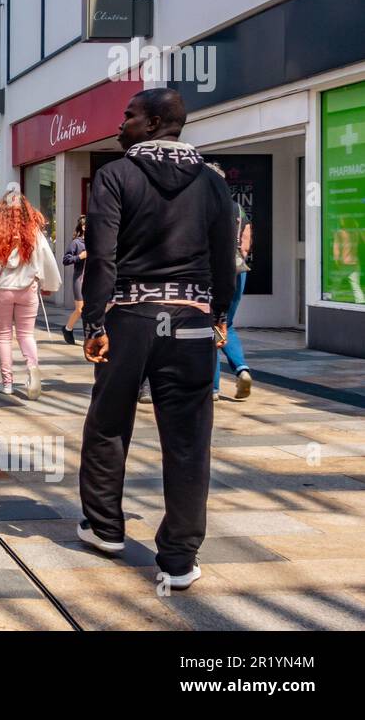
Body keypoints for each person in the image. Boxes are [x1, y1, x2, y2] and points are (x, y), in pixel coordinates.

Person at [78, 88, 236, 592]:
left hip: (130, 318)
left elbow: (102, 257)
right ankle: (178, 557)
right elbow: (224, 257)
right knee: (189, 439)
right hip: (189, 321)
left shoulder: (115, 175)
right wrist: (220, 318)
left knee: (108, 421)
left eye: (129, 116)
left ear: (153, 123)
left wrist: (95, 323)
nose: (120, 124)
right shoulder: (213, 184)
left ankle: (105, 528)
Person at [0, 190, 62, 399]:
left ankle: (7, 383)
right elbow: (47, 259)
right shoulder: (34, 233)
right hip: (28, 289)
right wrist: (49, 283)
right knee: (26, 334)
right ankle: (32, 367)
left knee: (3, 335)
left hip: (2, 290)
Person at [208, 162, 254, 402]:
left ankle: (213, 388)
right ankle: (242, 369)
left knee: (211, 325)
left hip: (214, 271)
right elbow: (246, 245)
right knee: (228, 322)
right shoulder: (238, 209)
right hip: (238, 271)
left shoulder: (205, 208)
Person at [61, 215, 88, 345]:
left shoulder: (95, 241)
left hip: (93, 279)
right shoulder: (76, 243)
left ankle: (90, 335)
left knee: (92, 308)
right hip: (79, 279)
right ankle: (67, 329)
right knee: (80, 309)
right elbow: (65, 260)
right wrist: (79, 257)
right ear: (83, 227)